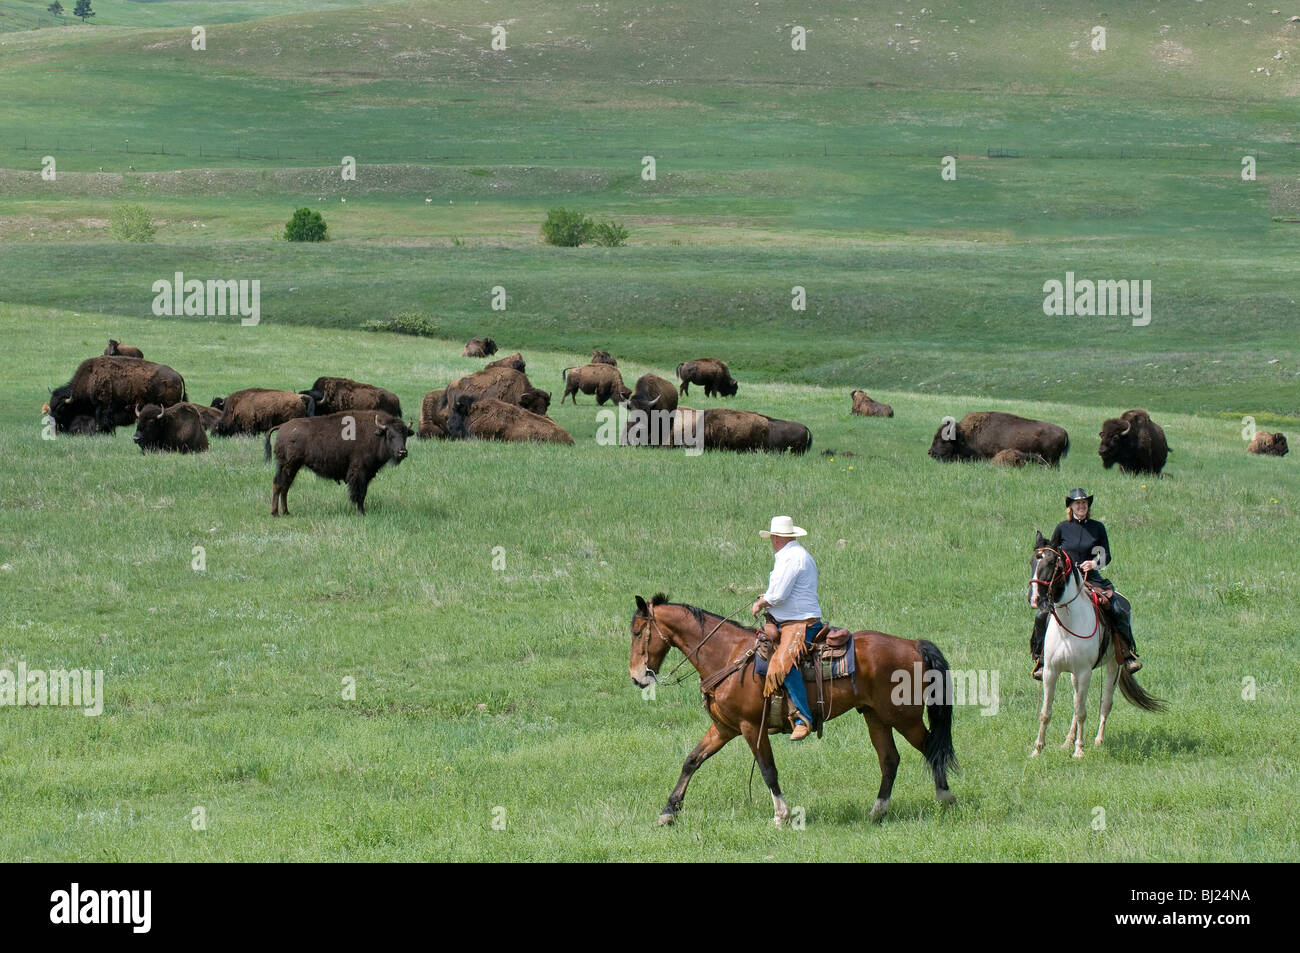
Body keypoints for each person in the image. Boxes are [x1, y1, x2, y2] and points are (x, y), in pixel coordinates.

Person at [1031, 488, 1142, 680]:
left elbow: (1106, 555)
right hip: (1066, 581)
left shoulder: (1097, 528)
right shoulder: (1062, 528)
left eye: (1084, 503)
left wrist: (1093, 563)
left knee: (1116, 606)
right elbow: (1052, 553)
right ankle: (1041, 658)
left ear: (1087, 506)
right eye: (1077, 503)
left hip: (1091, 578)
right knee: (1042, 615)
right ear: (1071, 507)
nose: (1081, 506)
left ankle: (1127, 652)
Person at [751, 516, 824, 741]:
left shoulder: (793, 557)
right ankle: (779, 714)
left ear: (775, 537)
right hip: (791, 621)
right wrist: (769, 597)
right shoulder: (792, 555)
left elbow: (780, 594)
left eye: (772, 537)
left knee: (785, 663)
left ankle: (803, 719)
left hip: (801, 624)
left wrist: (763, 601)